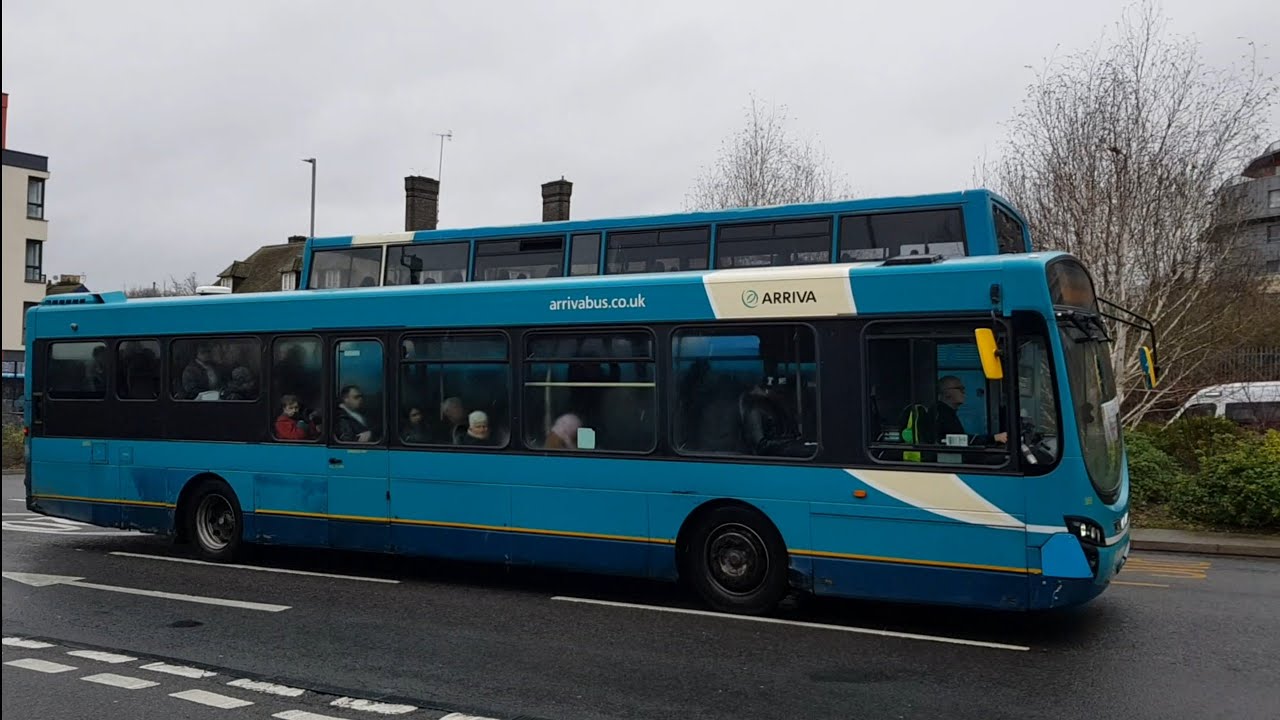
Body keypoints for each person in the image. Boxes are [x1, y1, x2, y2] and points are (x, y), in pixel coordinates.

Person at [738, 377, 809, 457]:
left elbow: (794, 434)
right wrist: (789, 444)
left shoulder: (782, 409)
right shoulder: (754, 411)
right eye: (777, 391)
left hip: (787, 456)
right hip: (768, 461)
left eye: (782, 392)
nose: (781, 395)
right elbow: (761, 446)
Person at [935, 376, 1007, 445]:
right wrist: (995, 438)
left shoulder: (945, 411)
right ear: (947, 393)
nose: (964, 392)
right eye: (960, 389)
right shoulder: (943, 414)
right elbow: (960, 441)